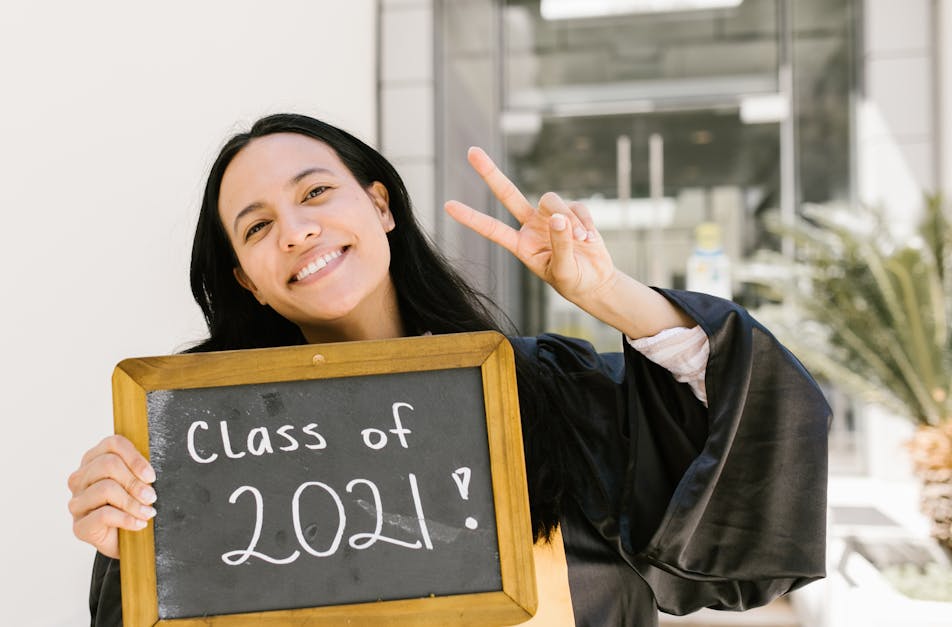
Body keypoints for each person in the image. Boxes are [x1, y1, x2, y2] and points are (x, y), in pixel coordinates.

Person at [66, 113, 830, 626]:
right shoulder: (207, 450)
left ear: (381, 205)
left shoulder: (541, 391)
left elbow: (738, 440)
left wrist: (608, 294)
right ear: (247, 280)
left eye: (316, 192)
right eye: (259, 226)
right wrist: (126, 540)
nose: (297, 230)